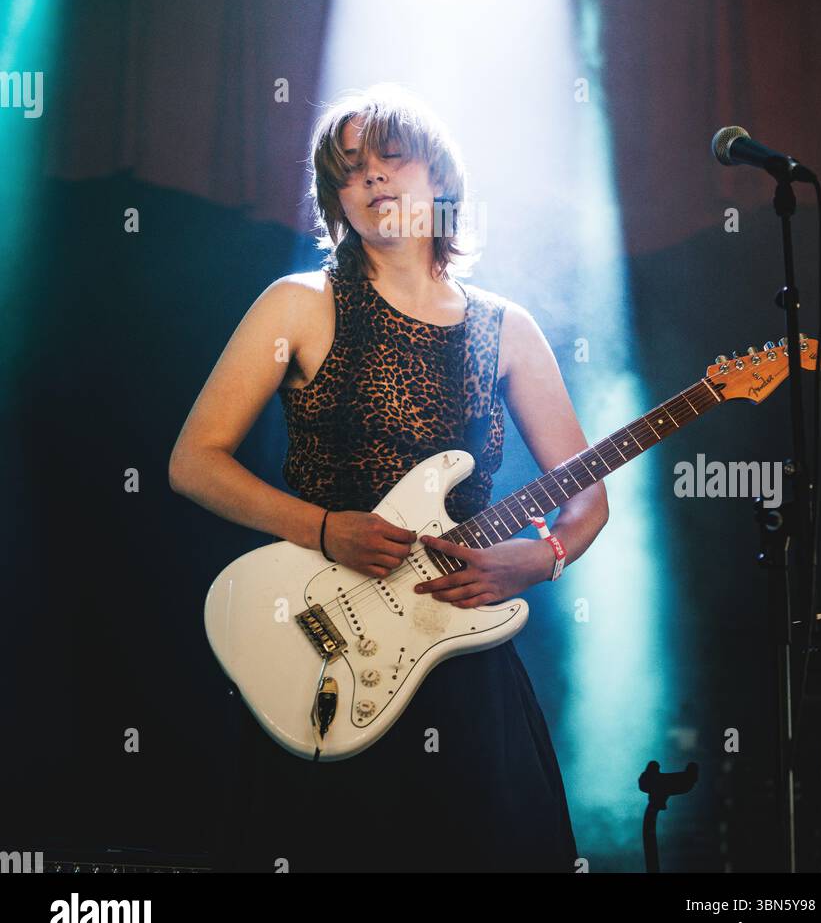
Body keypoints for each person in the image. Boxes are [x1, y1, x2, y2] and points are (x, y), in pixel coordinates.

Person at [169, 82, 608, 873]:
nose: (370, 177)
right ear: (335, 199)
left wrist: (540, 559)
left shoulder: (507, 330)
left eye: (389, 158)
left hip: (461, 663)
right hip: (326, 654)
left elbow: (585, 492)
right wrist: (325, 527)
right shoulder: (298, 304)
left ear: (439, 175)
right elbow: (192, 462)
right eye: (349, 169)